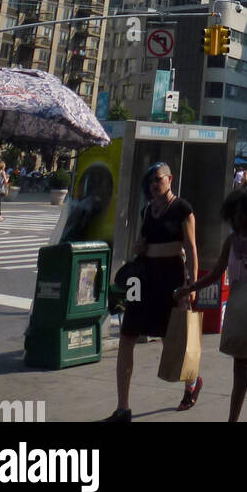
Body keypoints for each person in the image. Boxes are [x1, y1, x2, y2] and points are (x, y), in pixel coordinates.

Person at [176, 186, 247, 422]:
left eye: (243, 212)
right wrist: (191, 287)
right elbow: (216, 272)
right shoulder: (232, 240)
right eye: (235, 212)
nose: (238, 217)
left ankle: (246, 416)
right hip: (237, 307)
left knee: (243, 364)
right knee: (244, 364)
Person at [105, 162, 201, 422]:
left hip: (170, 278)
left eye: (157, 180)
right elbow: (142, 241)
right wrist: (139, 247)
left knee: (172, 339)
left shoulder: (182, 209)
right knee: (127, 335)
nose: (153, 185)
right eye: (150, 182)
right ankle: (122, 407)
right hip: (143, 277)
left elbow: (191, 248)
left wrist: (191, 284)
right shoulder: (147, 211)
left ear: (170, 179)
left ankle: (192, 381)